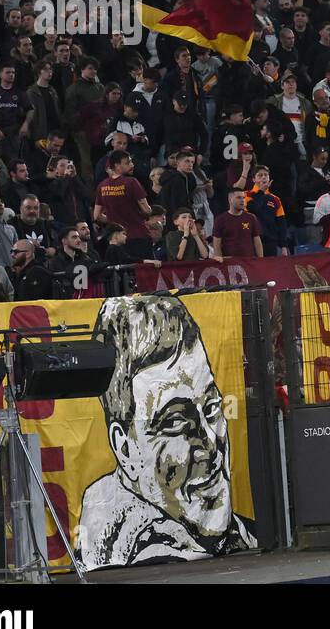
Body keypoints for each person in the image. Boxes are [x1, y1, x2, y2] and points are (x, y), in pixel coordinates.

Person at [77, 295, 255, 569]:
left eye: (211, 409)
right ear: (125, 449)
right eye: (175, 423)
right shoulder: (119, 547)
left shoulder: (244, 534)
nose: (209, 445)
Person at [93, 152, 155, 261]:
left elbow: (96, 216)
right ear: (117, 166)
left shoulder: (102, 186)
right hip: (138, 235)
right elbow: (146, 210)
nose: (132, 165)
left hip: (116, 239)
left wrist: (113, 219)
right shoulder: (132, 182)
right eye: (128, 163)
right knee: (144, 272)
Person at [212, 189, 263, 259]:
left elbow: (257, 241)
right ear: (230, 200)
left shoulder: (251, 217)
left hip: (249, 262)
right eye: (239, 197)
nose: (242, 200)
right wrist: (220, 261)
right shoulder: (220, 220)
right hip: (230, 263)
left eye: (243, 197)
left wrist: (261, 259)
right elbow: (217, 245)